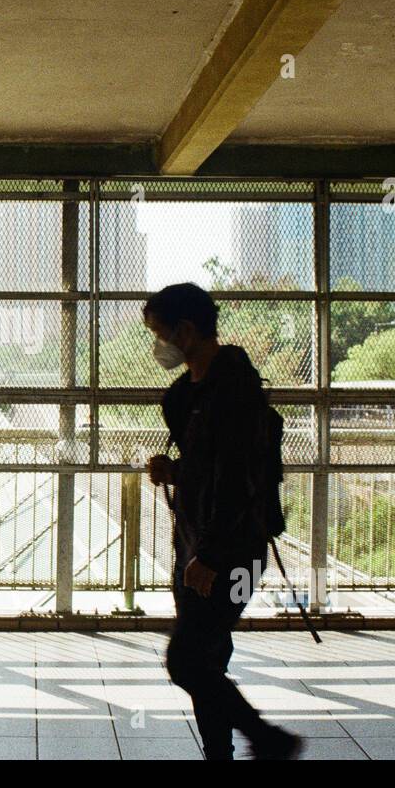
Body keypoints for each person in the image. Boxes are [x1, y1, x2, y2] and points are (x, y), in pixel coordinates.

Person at [143, 283, 301, 760]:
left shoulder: (235, 393)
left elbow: (238, 480)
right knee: (205, 659)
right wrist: (175, 471)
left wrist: (208, 556)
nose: (158, 346)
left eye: (160, 333)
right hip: (196, 546)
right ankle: (225, 753)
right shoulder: (190, 397)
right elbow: (208, 468)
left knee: (187, 659)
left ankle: (267, 739)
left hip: (228, 553)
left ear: (186, 331)